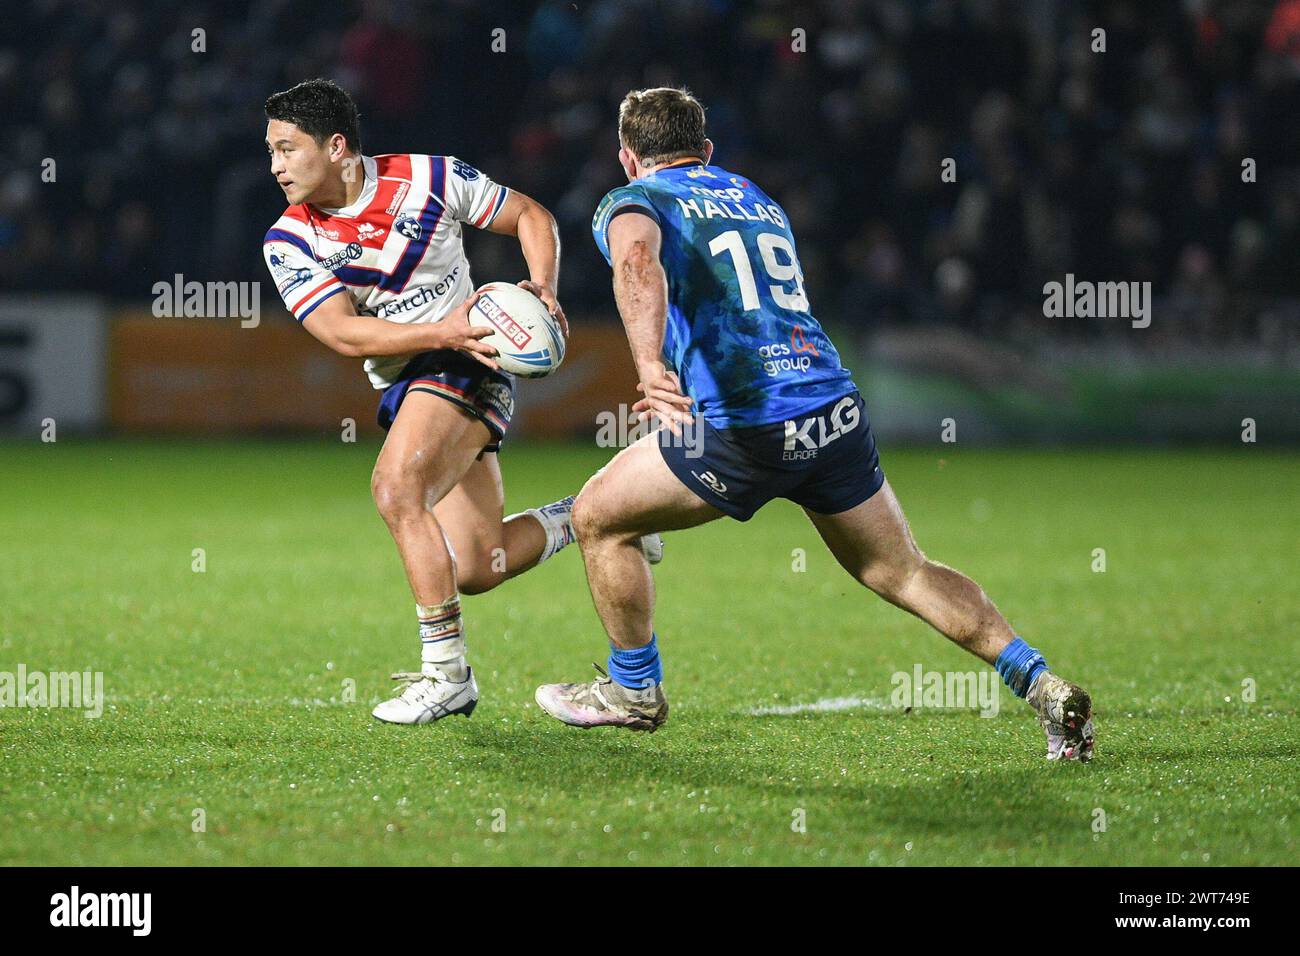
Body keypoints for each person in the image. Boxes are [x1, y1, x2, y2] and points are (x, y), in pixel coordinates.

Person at [534, 87, 1094, 761]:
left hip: (748, 426)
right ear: (706, 150)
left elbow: (636, 262)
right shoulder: (752, 195)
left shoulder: (636, 200)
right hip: (831, 409)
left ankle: (633, 692)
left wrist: (649, 362)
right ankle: (1043, 686)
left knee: (597, 517)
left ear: (628, 157)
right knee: (903, 571)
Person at [261, 78, 660, 725]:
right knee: (479, 564)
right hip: (415, 372)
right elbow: (339, 331)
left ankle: (446, 675)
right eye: (271, 152)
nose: (276, 166)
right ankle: (601, 515)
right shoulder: (289, 239)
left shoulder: (428, 177)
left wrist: (544, 287)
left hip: (468, 363)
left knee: (395, 489)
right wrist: (438, 330)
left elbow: (531, 216)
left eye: (287, 148)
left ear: (335, 147)